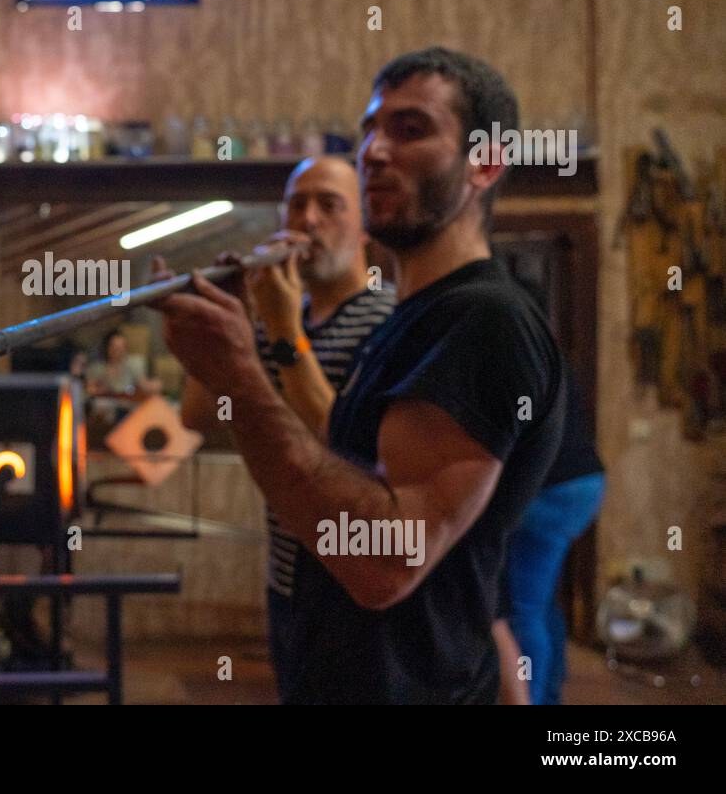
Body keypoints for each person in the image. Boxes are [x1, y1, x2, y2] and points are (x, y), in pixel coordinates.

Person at [151, 47, 566, 703]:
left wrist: (243, 371)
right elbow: (343, 465)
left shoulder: (485, 319)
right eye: (370, 129)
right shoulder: (412, 317)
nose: (373, 151)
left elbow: (385, 559)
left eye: (410, 130)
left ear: (485, 161)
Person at [180, 156, 395, 703]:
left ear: (365, 224)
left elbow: (343, 441)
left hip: (356, 577)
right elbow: (199, 418)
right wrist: (221, 321)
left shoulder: (388, 318)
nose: (309, 220)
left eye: (330, 204)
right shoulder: (276, 320)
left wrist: (280, 330)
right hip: (288, 574)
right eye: (297, 204)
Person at [496, 370, 606, 704]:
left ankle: (536, 697)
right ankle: (551, 690)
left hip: (553, 490)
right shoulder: (549, 359)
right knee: (540, 601)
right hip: (585, 482)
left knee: (522, 610)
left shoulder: (507, 355)